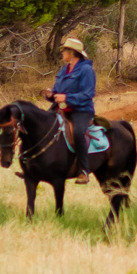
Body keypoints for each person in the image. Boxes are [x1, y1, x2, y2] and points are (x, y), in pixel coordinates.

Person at [49, 37, 98, 184]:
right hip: (60, 109)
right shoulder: (64, 70)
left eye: (64, 50)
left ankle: (84, 170)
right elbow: (57, 91)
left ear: (72, 53)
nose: (62, 53)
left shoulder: (86, 70)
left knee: (77, 133)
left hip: (81, 111)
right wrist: (51, 95)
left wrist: (66, 97)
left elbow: (87, 94)